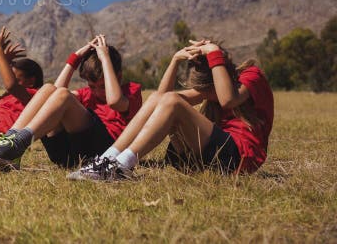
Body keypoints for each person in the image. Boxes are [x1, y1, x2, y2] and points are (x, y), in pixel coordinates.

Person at [68, 39, 274, 181]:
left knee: (173, 101)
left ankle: (121, 166)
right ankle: (106, 160)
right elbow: (161, 98)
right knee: (161, 98)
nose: (205, 95)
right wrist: (175, 60)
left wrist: (213, 52)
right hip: (212, 158)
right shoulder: (211, 90)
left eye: (206, 91)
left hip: (239, 157)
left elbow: (228, 99)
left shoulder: (250, 76)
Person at [0, 35, 142, 170]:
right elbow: (54, 94)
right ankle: (11, 141)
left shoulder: (130, 91)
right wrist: (75, 58)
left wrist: (105, 59)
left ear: (118, 76)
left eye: (102, 86)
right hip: (68, 153)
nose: (97, 91)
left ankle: (17, 144)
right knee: (48, 89)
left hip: (103, 153)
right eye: (92, 86)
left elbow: (114, 101)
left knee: (64, 95)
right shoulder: (87, 94)